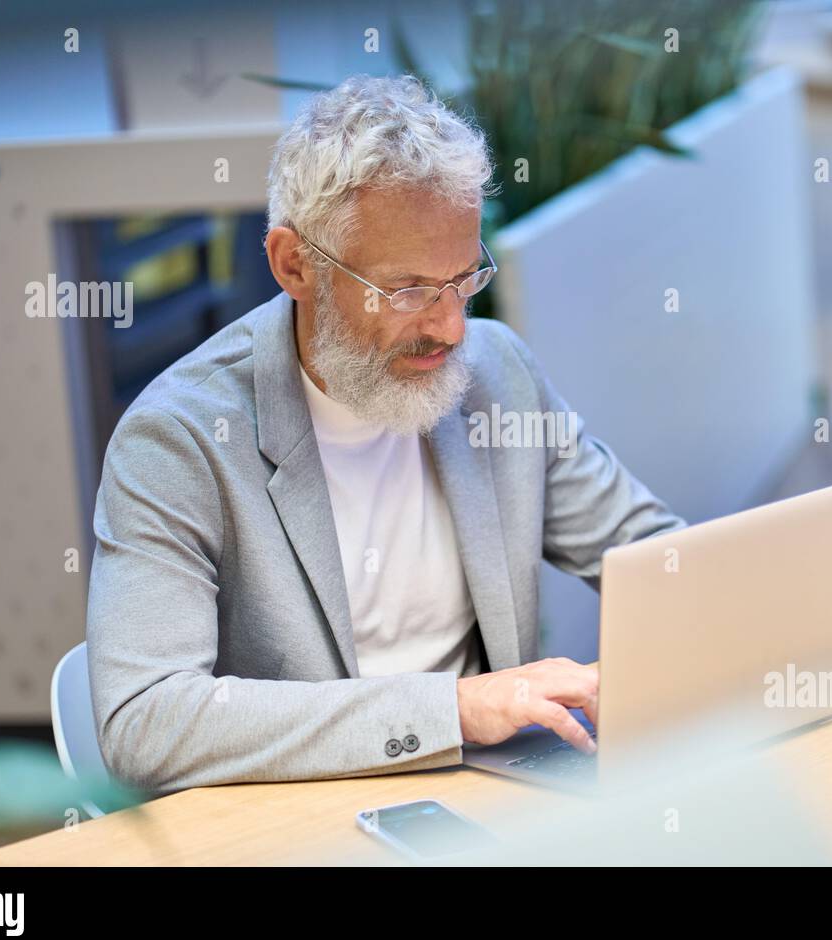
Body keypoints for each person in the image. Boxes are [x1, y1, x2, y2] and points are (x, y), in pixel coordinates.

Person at [86, 74, 685, 793]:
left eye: (465, 280)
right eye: (407, 291)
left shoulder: (496, 376)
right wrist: (454, 710)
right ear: (294, 265)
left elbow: (658, 559)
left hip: (497, 799)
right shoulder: (178, 440)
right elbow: (145, 721)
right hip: (303, 818)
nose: (452, 328)